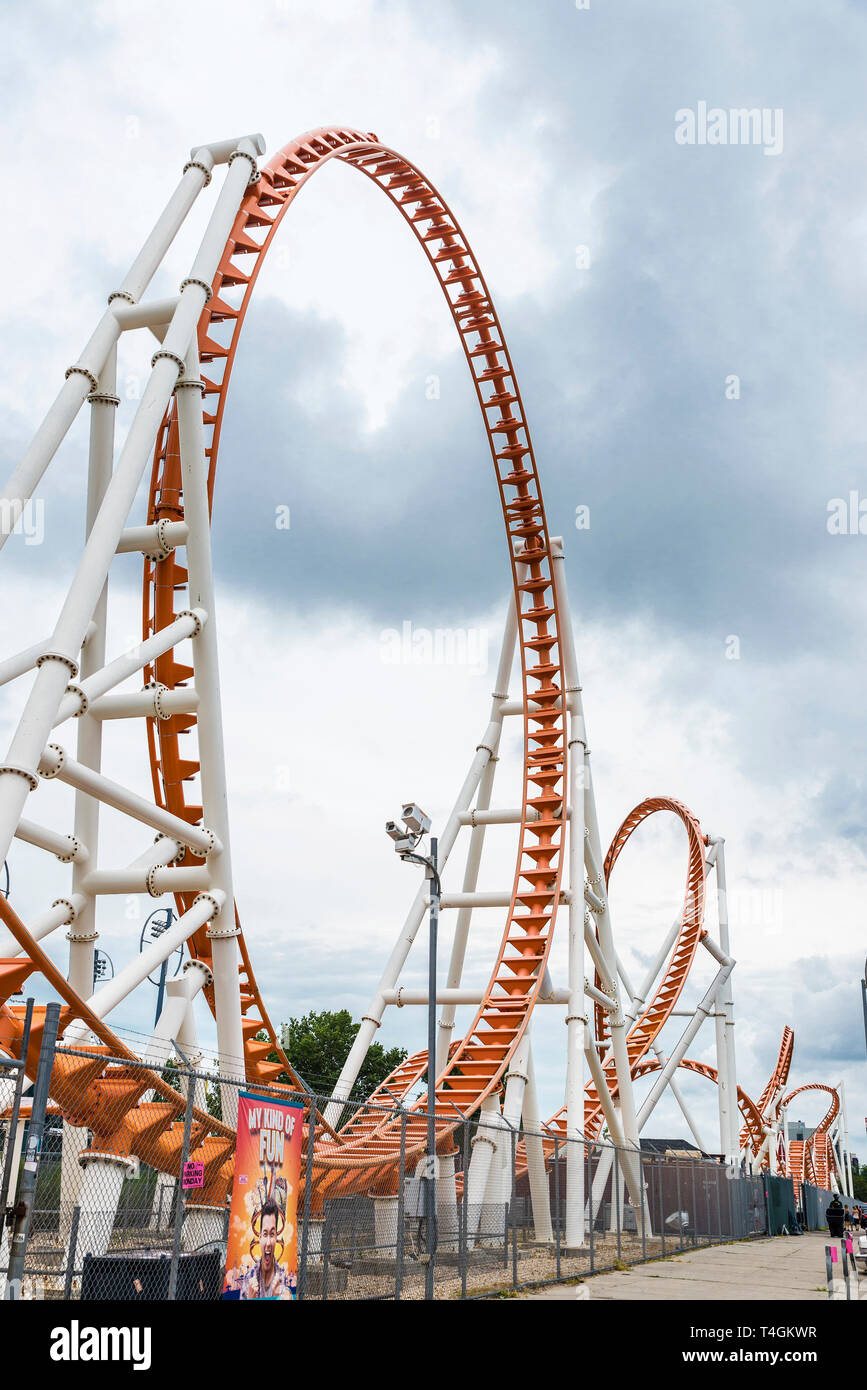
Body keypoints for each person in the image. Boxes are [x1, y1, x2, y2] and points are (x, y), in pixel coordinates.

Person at [241, 1200, 293, 1300]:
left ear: (276, 1237)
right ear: (259, 1237)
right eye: (265, 1234)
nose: (268, 1243)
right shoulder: (249, 1279)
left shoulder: (284, 1281)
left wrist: (276, 1298)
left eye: (272, 1234)